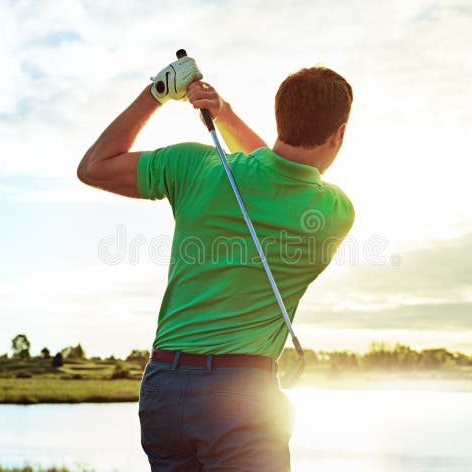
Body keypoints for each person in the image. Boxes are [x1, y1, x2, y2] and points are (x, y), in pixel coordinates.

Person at [77, 54, 354, 471]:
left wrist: (158, 92)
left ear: (280, 117)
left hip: (165, 386)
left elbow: (93, 167)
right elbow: (273, 169)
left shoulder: (195, 166)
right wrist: (226, 116)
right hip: (241, 393)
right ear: (340, 133)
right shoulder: (334, 211)